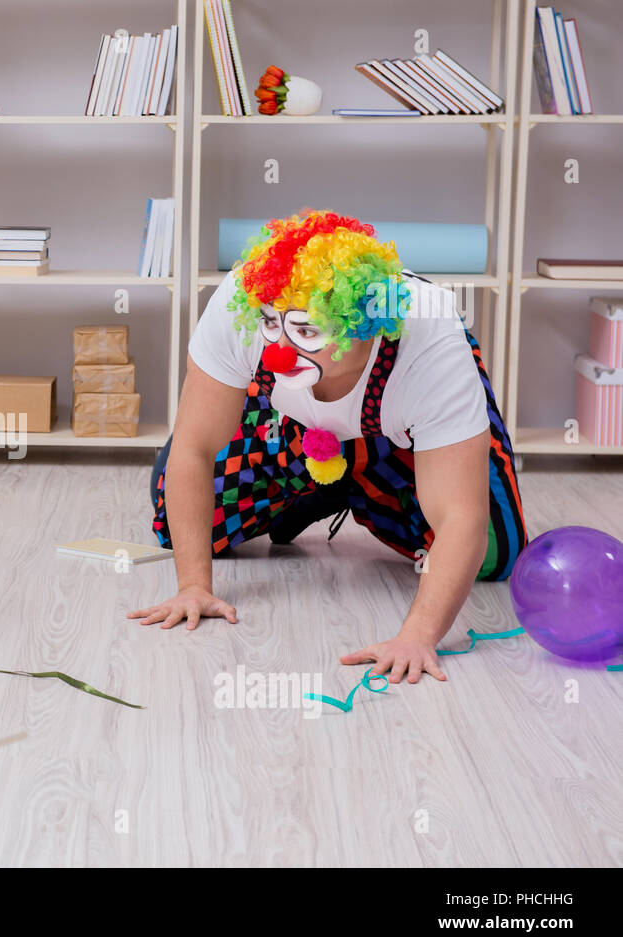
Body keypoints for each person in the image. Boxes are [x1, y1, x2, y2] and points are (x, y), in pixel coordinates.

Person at [133, 211, 526, 685]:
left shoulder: (432, 344)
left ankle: (351, 483)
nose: (278, 348)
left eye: (307, 331)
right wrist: (193, 587)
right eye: (272, 325)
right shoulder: (245, 300)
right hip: (288, 423)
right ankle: (314, 486)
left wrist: (418, 636)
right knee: (181, 524)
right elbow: (195, 449)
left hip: (398, 439)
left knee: (495, 554)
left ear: (366, 326)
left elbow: (461, 518)